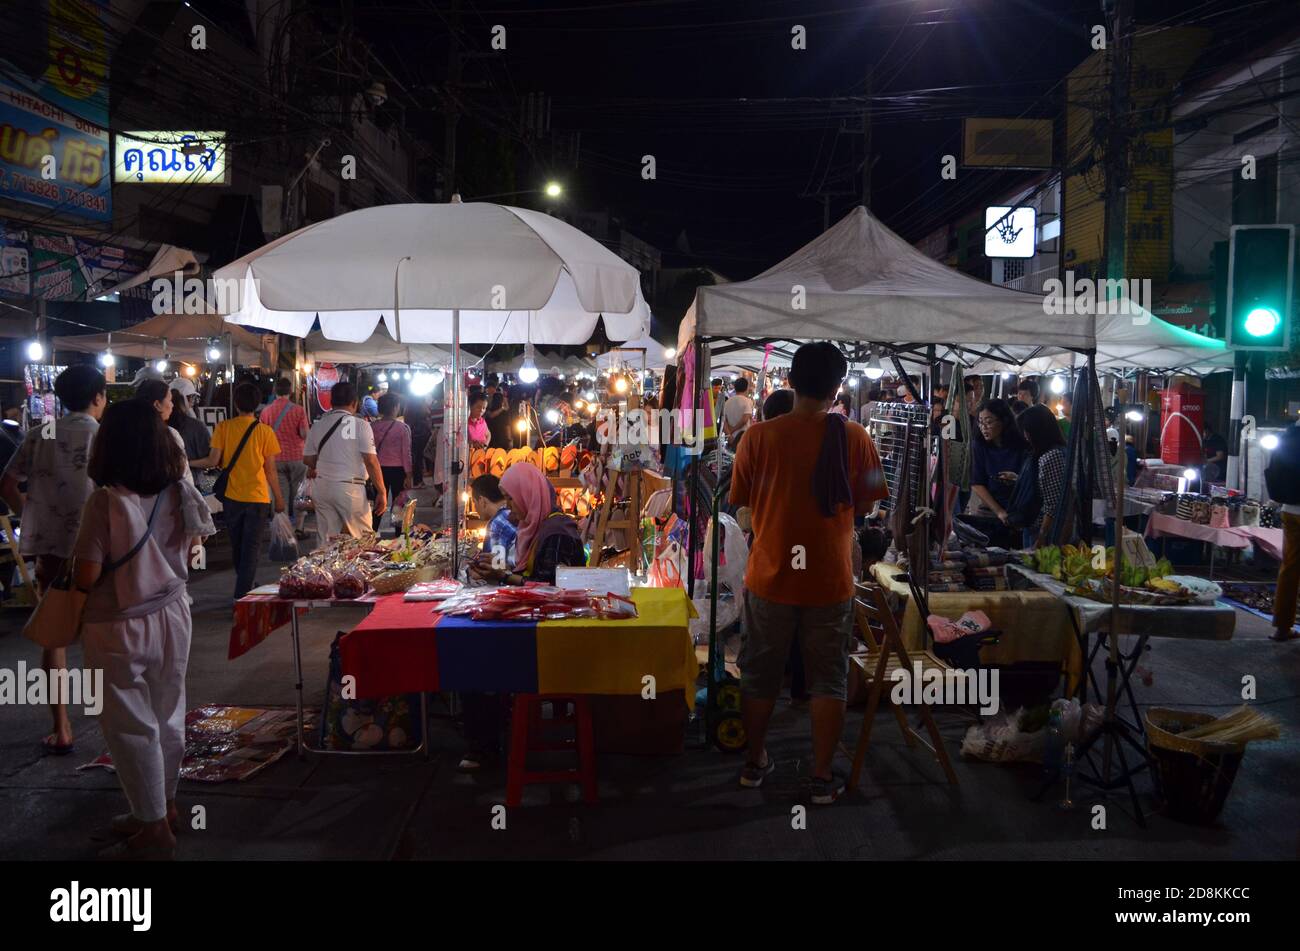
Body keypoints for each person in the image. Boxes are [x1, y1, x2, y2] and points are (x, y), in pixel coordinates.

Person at [729, 342, 888, 804]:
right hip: (828, 578)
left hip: (770, 576)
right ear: (838, 386)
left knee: (759, 674)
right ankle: (821, 777)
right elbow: (868, 503)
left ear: (791, 381)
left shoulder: (757, 437)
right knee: (827, 678)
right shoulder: (854, 436)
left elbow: (741, 501)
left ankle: (754, 763)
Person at [74, 399, 215, 859]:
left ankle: (154, 828)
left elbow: (87, 576)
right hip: (174, 614)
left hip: (118, 623)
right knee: (169, 712)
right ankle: (161, 807)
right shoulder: (179, 491)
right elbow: (192, 544)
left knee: (129, 725)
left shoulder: (104, 501)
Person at [1, 365, 106, 755]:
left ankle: (61, 727)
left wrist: (31, 512)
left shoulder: (40, 432)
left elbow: (8, 483)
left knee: (54, 635)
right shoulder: (103, 435)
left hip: (51, 550)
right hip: (99, 547)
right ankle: (112, 719)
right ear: (97, 397)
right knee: (105, 630)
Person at [461, 464, 584, 771]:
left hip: (551, 638)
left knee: (473, 661)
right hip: (538, 625)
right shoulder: (541, 528)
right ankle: (493, 731)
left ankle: (485, 747)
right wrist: (501, 569)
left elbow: (551, 591)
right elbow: (533, 576)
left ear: (528, 496)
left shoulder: (556, 535)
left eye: (511, 499)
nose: (509, 508)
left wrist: (503, 576)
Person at [194, 382, 285, 598]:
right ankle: (242, 593)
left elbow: (212, 460)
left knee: (238, 546)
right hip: (258, 498)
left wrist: (187, 461)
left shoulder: (223, 428)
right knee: (251, 549)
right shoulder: (265, 431)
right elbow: (270, 470)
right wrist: (279, 499)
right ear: (257, 404)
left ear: (235, 404)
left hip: (232, 498)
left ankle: (245, 586)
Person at [303, 381, 385, 548]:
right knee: (362, 540)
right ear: (355, 403)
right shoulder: (360, 424)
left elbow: (308, 460)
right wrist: (382, 491)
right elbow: (371, 460)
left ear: (331, 402)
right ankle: (360, 573)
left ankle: (323, 572)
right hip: (350, 489)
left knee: (327, 541)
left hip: (322, 487)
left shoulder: (318, 426)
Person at [1017, 403, 1070, 548]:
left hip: (1042, 530)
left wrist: (1042, 535)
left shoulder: (1052, 456)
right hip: (1034, 527)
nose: (1025, 436)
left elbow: (1052, 504)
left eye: (1027, 431)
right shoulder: (1043, 453)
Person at [969, 399, 1030, 523]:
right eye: (980, 422)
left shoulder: (1022, 445)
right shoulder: (979, 445)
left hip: (1020, 507)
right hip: (990, 509)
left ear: (1004, 421)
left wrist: (1017, 479)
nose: (983, 427)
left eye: (989, 422)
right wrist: (999, 512)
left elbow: (1030, 481)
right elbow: (977, 483)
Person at [1269, 420, 1300, 642]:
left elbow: (1273, 472)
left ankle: (1282, 626)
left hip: (1290, 511)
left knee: (1289, 567)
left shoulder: (1286, 438)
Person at [259, 378, 309, 519]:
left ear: (275, 391)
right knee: (299, 495)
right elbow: (305, 434)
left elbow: (262, 436)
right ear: (291, 391)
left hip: (275, 460)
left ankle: (284, 533)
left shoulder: (266, 412)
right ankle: (299, 528)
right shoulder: (299, 410)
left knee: (280, 497)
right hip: (297, 458)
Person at [134, 380, 194, 486]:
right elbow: (184, 475)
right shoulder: (170, 435)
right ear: (157, 404)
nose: (172, 405)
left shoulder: (126, 432)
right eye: (170, 400)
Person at [370, 392, 412, 530]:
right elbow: (406, 453)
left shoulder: (372, 427)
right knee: (398, 502)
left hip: (378, 469)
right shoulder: (402, 428)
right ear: (395, 408)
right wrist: (409, 474)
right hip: (397, 470)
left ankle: (372, 530)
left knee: (378, 500)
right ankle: (398, 533)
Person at [470, 473, 517, 569]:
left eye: (474, 503)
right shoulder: (512, 513)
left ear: (482, 500)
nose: (475, 508)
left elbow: (494, 568)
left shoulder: (497, 523)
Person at [166, 387, 211, 471]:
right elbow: (210, 459)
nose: (193, 401)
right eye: (191, 397)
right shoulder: (196, 425)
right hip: (192, 479)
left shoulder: (157, 425)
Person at [723, 377, 756, 449]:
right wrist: (733, 429)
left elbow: (724, 422)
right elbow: (745, 419)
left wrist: (729, 435)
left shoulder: (727, 402)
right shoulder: (747, 401)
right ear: (747, 388)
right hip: (743, 437)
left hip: (730, 439)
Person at [484, 374, 513, 450]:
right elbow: (490, 415)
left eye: (492, 388)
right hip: (491, 433)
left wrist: (509, 438)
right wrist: (502, 408)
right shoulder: (485, 400)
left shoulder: (499, 398)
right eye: (488, 388)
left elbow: (507, 422)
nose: (490, 390)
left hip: (500, 435)